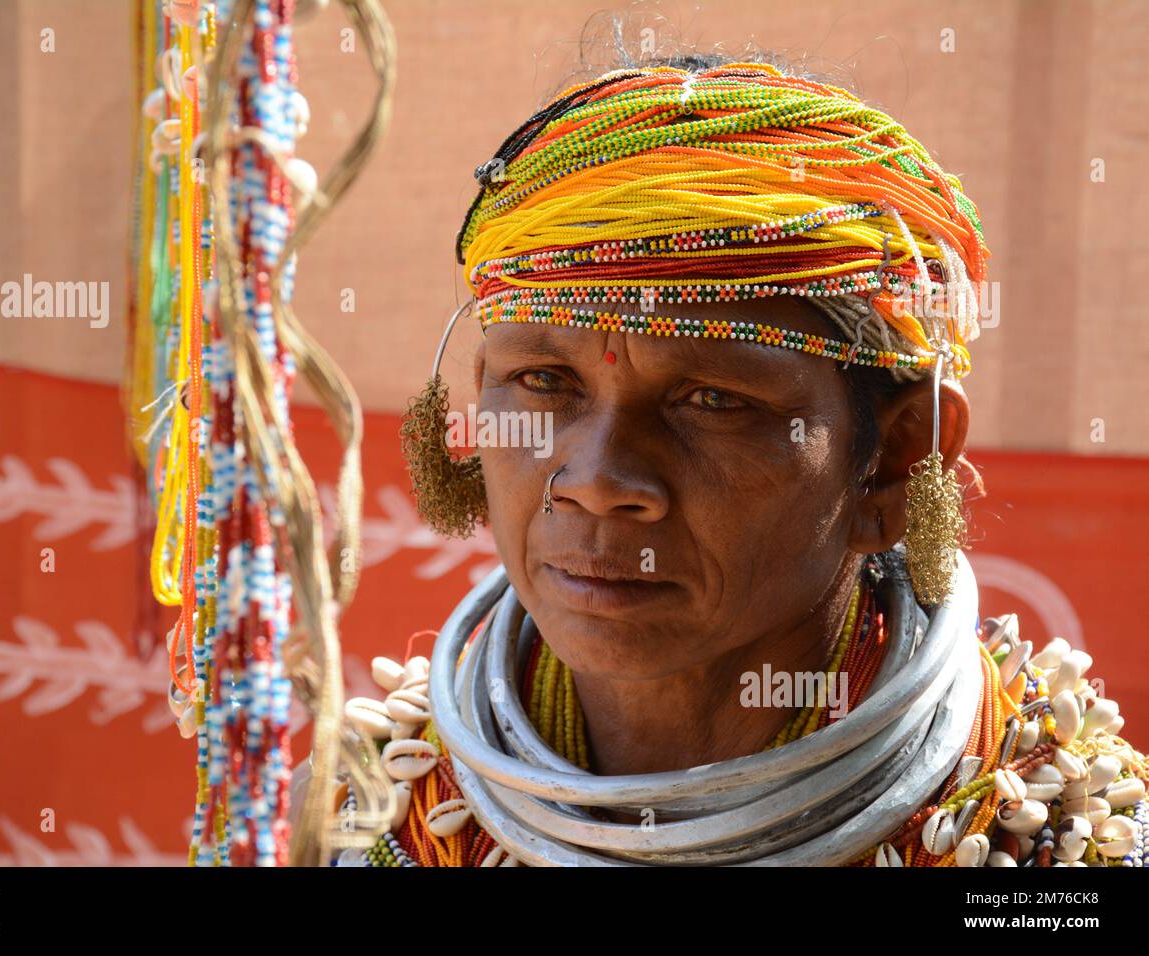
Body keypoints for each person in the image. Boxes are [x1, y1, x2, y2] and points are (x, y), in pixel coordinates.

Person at [306, 54, 1147, 867]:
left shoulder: (1066, 834)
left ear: (893, 461)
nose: (598, 482)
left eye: (712, 400)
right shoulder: (360, 816)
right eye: (542, 380)